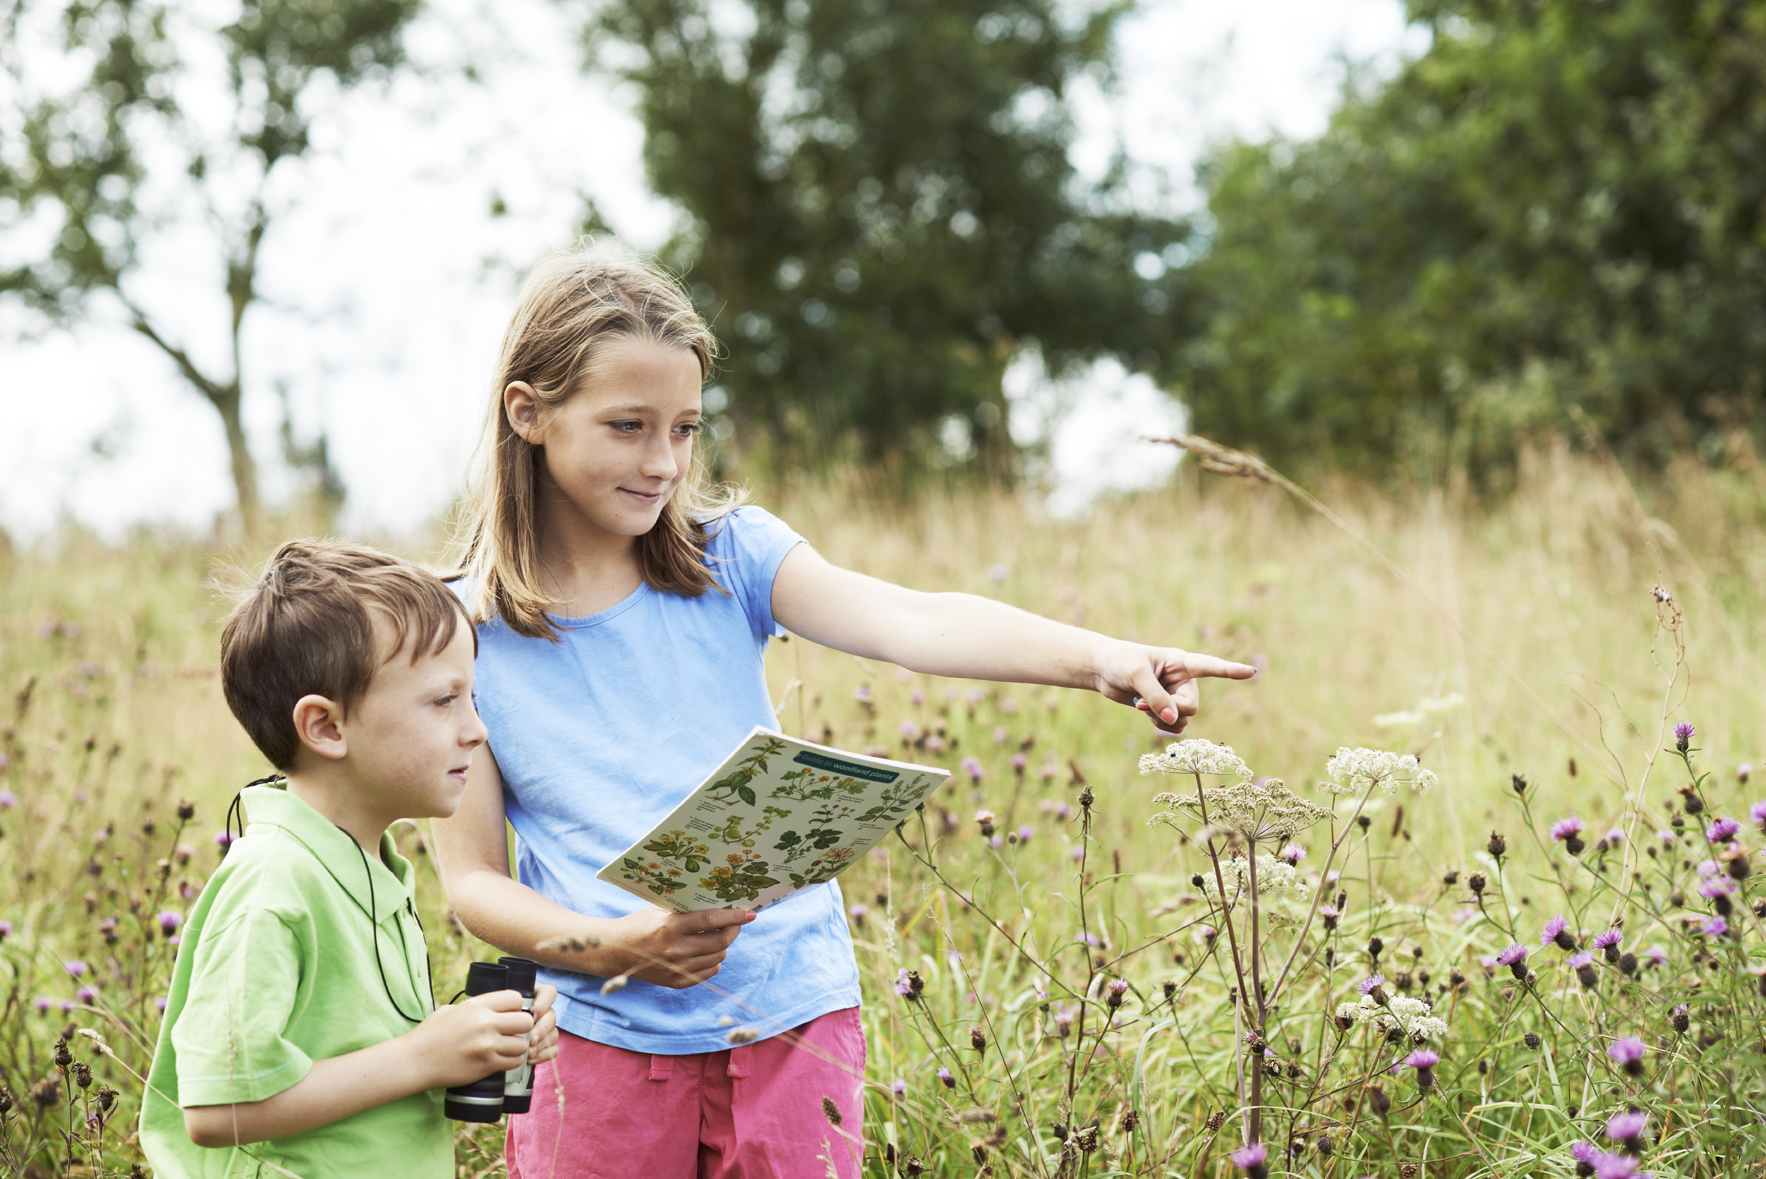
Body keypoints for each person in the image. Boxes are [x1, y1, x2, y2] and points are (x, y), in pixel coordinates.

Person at [432, 244, 1257, 1179]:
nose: (664, 461)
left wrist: (1102, 658)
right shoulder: (456, 633)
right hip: (595, 1036)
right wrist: (623, 946)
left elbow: (914, 619)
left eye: (686, 428)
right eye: (627, 426)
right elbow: (473, 884)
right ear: (528, 412)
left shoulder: (729, 556)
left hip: (790, 1014)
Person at [140, 539, 561, 1178]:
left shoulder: (372, 867)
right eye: (444, 701)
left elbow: (357, 1060)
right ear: (327, 728)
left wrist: (473, 1044)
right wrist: (424, 1056)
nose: (477, 730)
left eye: (472, 699)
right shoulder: (273, 881)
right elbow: (214, 1106)